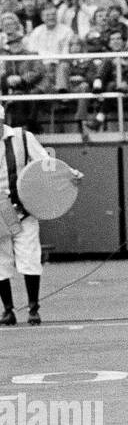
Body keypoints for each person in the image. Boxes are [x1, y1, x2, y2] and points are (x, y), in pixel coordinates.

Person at [0, 102, 81, 325]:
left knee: (30, 256)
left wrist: (69, 174)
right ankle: (8, 310)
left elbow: (46, 164)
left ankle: (33, 308)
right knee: (0, 261)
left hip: (23, 207)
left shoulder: (22, 138)